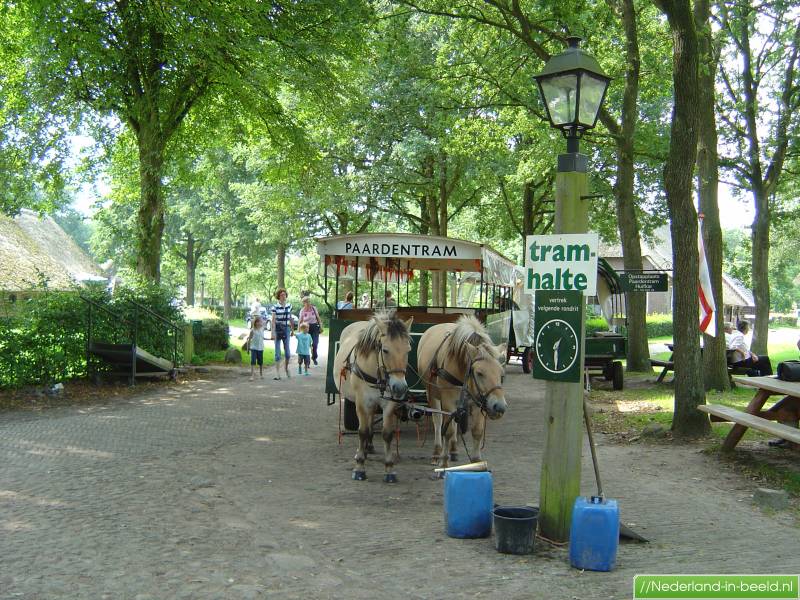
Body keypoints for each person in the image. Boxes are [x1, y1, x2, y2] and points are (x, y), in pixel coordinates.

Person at [271, 288, 293, 380]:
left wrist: (292, 329)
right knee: (277, 353)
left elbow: (290, 318)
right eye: (282, 295)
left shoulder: (289, 305)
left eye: (285, 294)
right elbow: (273, 320)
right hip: (277, 329)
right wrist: (272, 332)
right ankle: (277, 373)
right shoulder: (275, 307)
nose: (284, 296)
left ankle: (286, 368)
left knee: (287, 353)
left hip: (286, 329)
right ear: (278, 296)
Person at [298, 295, 323, 366]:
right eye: (306, 302)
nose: (308, 303)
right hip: (306, 328)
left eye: (309, 301)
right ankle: (307, 361)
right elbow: (300, 321)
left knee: (315, 344)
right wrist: (299, 331)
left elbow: (318, 318)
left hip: (314, 327)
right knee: (306, 345)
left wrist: (321, 326)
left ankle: (314, 357)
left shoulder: (314, 309)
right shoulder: (302, 311)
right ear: (303, 303)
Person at [247, 316, 266, 381]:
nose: (259, 323)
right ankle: (252, 375)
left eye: (260, 322)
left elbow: (262, 338)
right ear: (255, 323)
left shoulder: (262, 329)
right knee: (253, 361)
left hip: (260, 348)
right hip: (253, 348)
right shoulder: (252, 330)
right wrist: (248, 348)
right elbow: (249, 339)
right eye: (257, 322)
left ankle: (261, 374)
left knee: (260, 362)